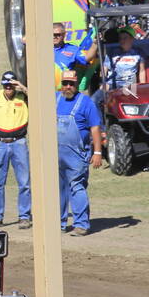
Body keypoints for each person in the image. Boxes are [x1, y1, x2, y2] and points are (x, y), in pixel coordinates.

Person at [0, 71, 31, 228]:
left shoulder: (23, 97)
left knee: (24, 182)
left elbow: (39, 101)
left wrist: (22, 87)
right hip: (1, 144)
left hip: (19, 143)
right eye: (6, 85)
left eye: (11, 85)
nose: (9, 88)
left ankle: (24, 216)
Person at [57, 69, 103, 236]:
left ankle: (81, 225)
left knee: (77, 187)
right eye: (65, 83)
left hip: (77, 155)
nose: (67, 87)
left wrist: (97, 152)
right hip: (56, 154)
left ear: (77, 85)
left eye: (71, 84)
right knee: (58, 190)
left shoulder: (86, 102)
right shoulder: (54, 99)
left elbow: (95, 128)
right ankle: (59, 224)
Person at [52, 22, 94, 91]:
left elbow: (87, 58)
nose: (54, 37)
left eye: (57, 35)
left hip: (64, 91)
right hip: (44, 90)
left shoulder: (72, 49)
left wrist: (95, 43)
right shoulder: (41, 48)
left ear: (64, 35)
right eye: (51, 34)